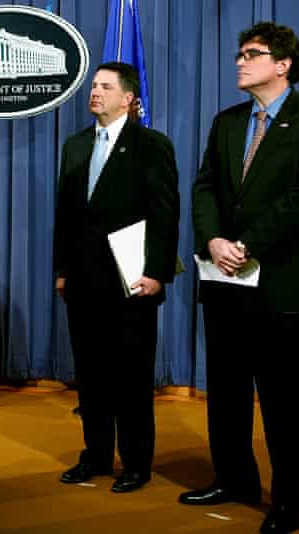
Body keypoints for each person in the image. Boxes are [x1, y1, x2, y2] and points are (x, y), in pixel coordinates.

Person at [182, 22, 299, 534]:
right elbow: (205, 186)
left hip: (278, 283)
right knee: (226, 393)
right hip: (223, 279)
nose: (239, 61)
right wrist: (212, 240)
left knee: (282, 404)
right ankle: (234, 480)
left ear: (283, 64)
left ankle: (288, 503)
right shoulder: (227, 121)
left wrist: (247, 246)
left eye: (252, 54)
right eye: (239, 53)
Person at [53, 62, 179, 493]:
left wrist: (157, 273)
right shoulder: (75, 146)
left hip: (131, 282)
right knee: (90, 377)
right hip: (83, 283)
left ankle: (137, 463)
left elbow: (165, 214)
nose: (95, 92)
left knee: (131, 377)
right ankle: (96, 455)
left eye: (105, 87)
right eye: (93, 86)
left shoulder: (151, 146)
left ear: (128, 98)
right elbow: (65, 217)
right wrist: (62, 270)